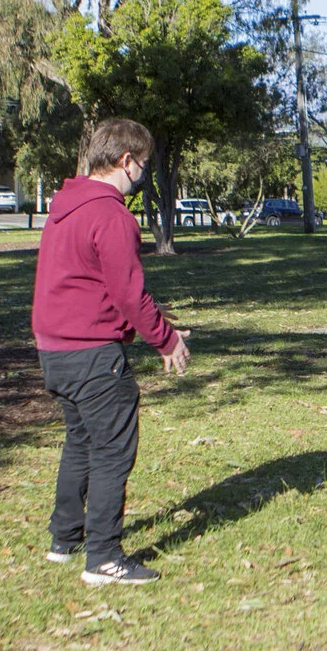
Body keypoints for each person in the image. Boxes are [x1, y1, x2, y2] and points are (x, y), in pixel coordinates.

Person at [32, 118, 191, 585]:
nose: (142, 176)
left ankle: (66, 538)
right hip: (93, 355)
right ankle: (103, 558)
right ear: (126, 162)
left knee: (80, 442)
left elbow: (88, 284)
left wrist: (150, 328)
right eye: (142, 166)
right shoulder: (111, 215)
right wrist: (166, 339)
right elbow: (128, 293)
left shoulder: (64, 208)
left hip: (55, 350)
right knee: (112, 450)